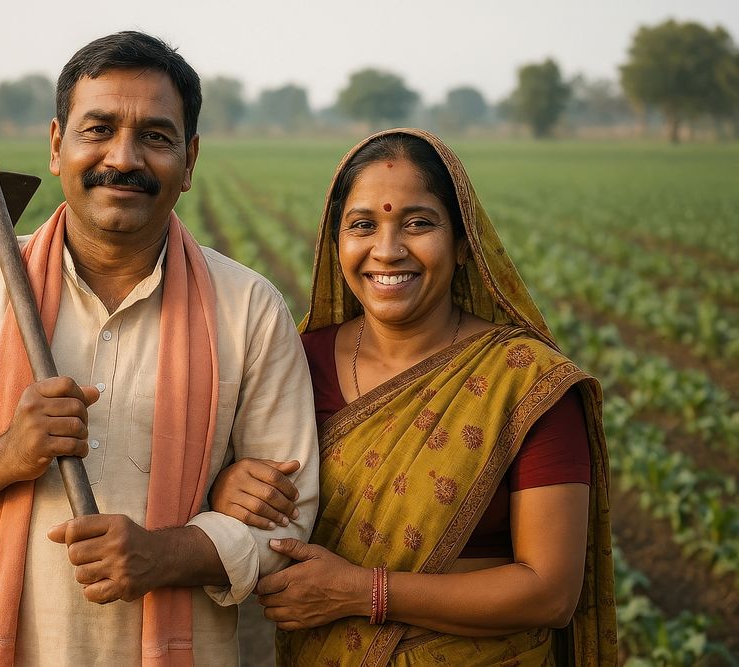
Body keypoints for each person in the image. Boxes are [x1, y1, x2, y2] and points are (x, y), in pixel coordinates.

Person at [0, 31, 319, 665]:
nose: (123, 158)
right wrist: (4, 456)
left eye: (156, 136)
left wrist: (166, 554)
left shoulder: (250, 308)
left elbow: (290, 521)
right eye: (97, 129)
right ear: (55, 145)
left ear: (190, 161)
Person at [210, 128, 617, 665]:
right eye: (362, 226)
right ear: (336, 244)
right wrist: (227, 487)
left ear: (464, 243)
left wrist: (364, 591)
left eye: (419, 223)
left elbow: (549, 591)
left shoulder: (524, 383)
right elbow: (217, 499)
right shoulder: (293, 360)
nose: (388, 249)